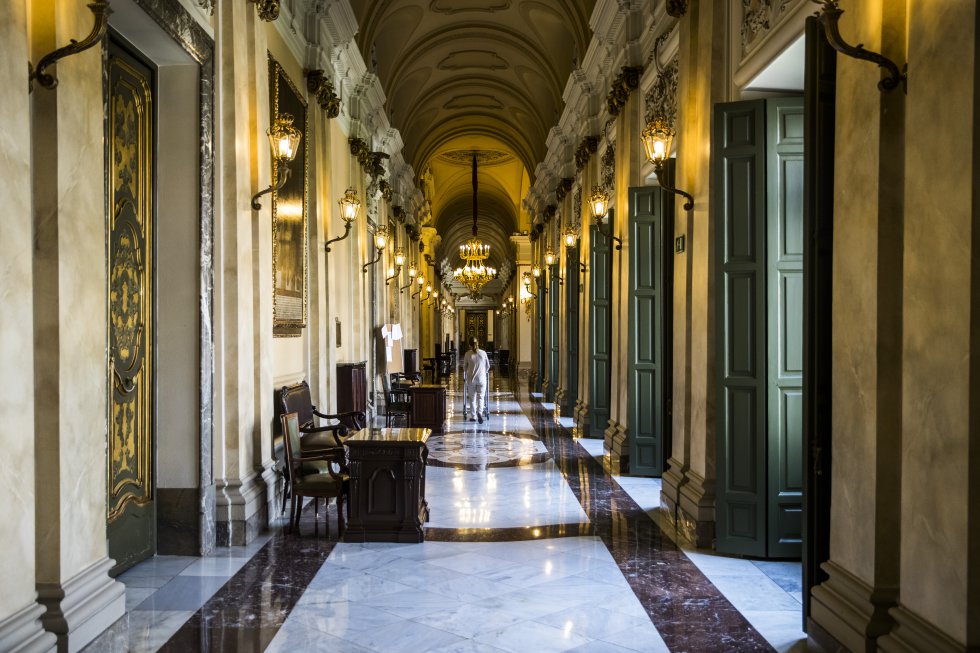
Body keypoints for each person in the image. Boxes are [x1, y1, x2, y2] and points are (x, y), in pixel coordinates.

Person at [463, 336, 490, 423]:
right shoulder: (483, 353)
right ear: (478, 343)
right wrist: (483, 372)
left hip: (471, 379)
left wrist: (469, 369)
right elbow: (488, 366)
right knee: (481, 397)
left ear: (469, 345)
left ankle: (474, 416)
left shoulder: (467, 354)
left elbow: (464, 367)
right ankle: (480, 413)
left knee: (472, 398)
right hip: (482, 378)